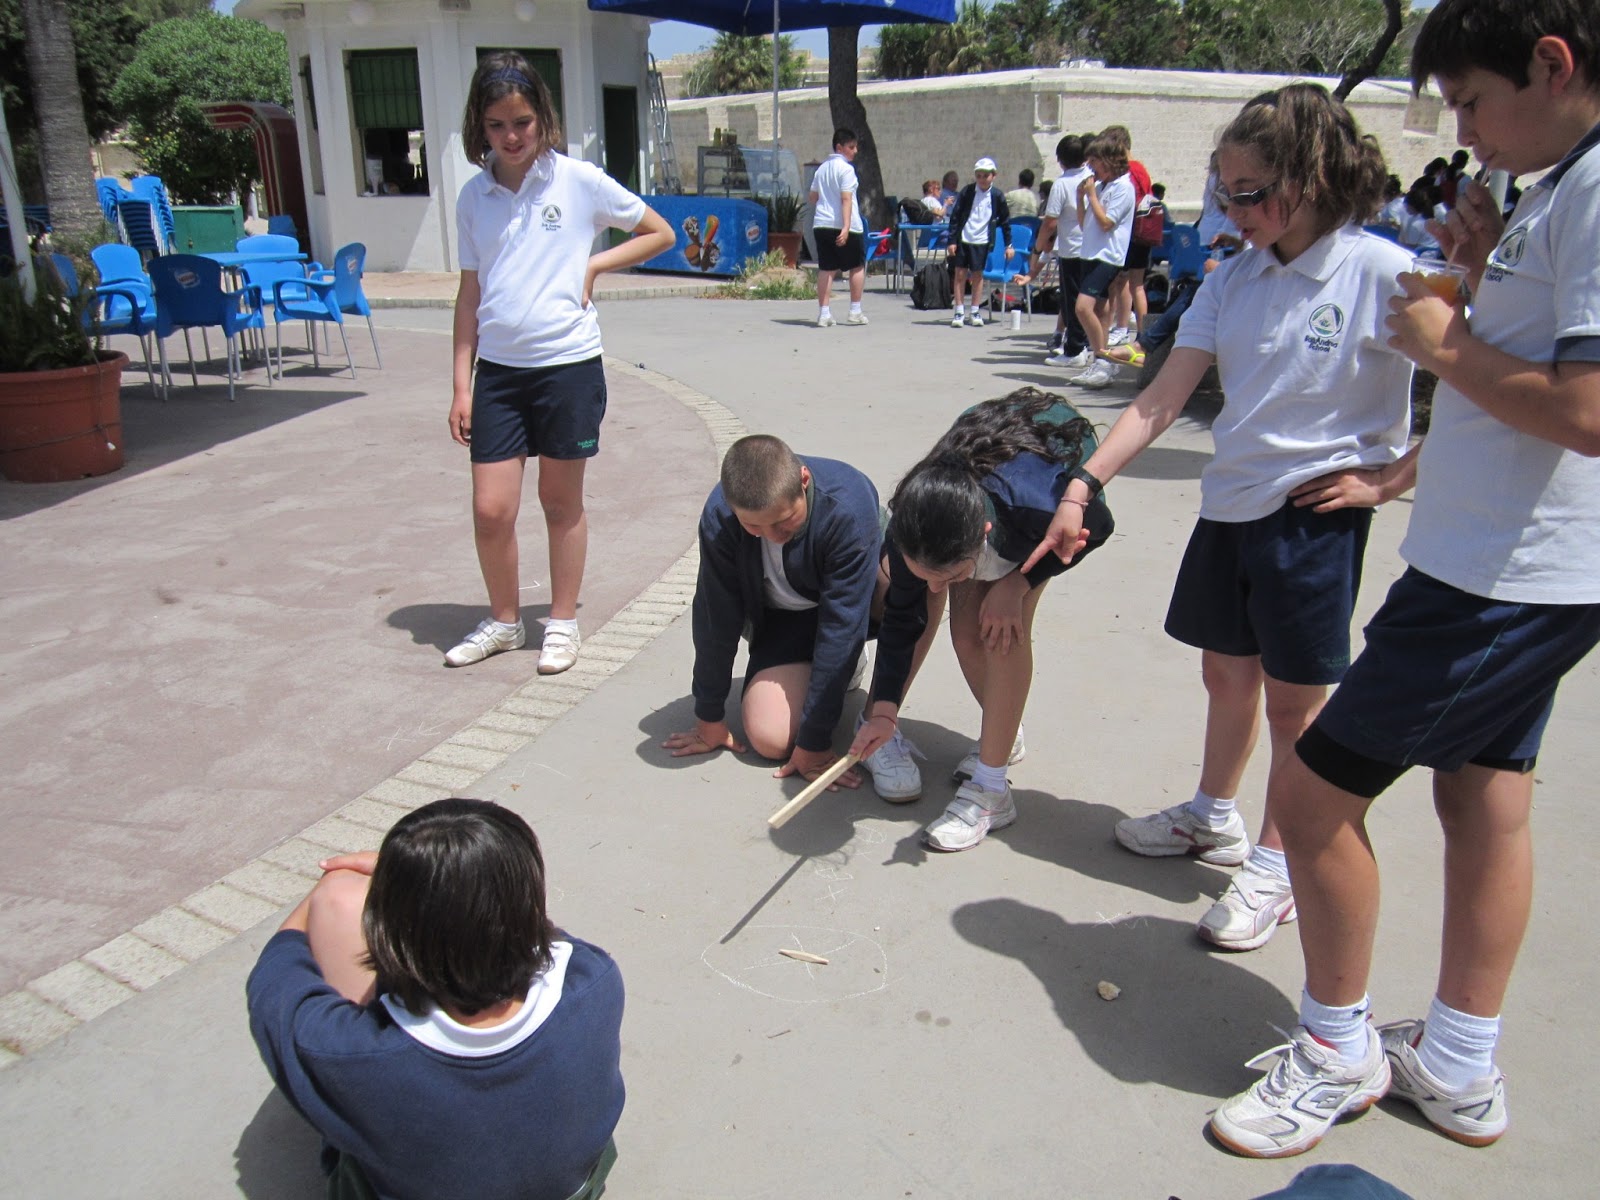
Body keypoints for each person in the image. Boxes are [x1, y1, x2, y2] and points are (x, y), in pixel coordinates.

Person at [1203, 0, 1600, 1156]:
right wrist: (1479, 273)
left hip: (1503, 574)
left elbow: (1584, 412)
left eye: (1472, 103)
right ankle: (1460, 1063)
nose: (1465, 135)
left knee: (1314, 798)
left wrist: (1441, 347)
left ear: (1551, 62)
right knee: (1485, 795)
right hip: (1503, 559)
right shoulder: (1555, 185)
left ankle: (1336, 1052)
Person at [1026, 84, 1416, 963]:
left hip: (1311, 521)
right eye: (1224, 190)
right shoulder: (1235, 276)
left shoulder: (1381, 272)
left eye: (1248, 193)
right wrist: (1083, 482)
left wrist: (1390, 480)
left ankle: (1279, 863)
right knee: (1226, 678)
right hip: (1230, 506)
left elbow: (1476, 391)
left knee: (1295, 708)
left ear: (1311, 178)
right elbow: (1162, 400)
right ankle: (1214, 814)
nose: (1230, 211)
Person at [247, 798, 625, 1200]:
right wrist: (456, 880)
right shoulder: (595, 978)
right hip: (574, 1189)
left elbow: (272, 977)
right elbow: (547, 936)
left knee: (340, 893)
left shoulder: (348, 1053)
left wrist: (363, 883)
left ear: (391, 931)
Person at [445, 53, 674, 674]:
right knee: (491, 509)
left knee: (558, 502)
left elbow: (660, 232)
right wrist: (461, 386)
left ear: (542, 117)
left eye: (521, 121)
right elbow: (470, 295)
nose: (511, 137)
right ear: (480, 127)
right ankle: (502, 620)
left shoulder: (577, 180)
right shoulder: (474, 198)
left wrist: (596, 264)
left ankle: (563, 621)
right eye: (496, 125)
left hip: (568, 367)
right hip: (497, 374)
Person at [850, 388, 1114, 851]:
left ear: (983, 538)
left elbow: (1099, 528)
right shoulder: (911, 526)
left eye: (949, 577)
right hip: (974, 487)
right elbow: (901, 623)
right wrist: (886, 705)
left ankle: (992, 790)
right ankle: (997, 731)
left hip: (1042, 492)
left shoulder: (1036, 505)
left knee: (995, 630)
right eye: (926, 576)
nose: (939, 591)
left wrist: (1018, 585)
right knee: (951, 627)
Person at [662, 435, 921, 798]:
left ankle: (860, 683)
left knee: (911, 583)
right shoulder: (720, 514)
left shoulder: (847, 504)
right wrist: (709, 717)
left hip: (854, 604)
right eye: (753, 527)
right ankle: (816, 671)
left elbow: (841, 626)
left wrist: (815, 742)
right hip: (784, 618)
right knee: (770, 741)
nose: (772, 536)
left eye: (784, 522)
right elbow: (714, 616)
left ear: (803, 480)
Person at [1063, 135, 1135, 388]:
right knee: (1101, 310)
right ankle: (1102, 364)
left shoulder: (1124, 188)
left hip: (1108, 255)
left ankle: (1102, 358)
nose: (1091, 167)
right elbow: (1086, 224)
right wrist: (1082, 198)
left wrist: (1092, 195)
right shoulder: (1104, 186)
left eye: (1094, 161)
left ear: (1108, 160)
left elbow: (1107, 223)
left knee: (1082, 307)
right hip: (1090, 252)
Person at [1037, 133, 1095, 370]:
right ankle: (1088, 345)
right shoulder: (1091, 178)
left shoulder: (1061, 184)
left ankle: (1074, 349)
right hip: (1091, 246)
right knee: (1089, 300)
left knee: (1071, 301)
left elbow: (1050, 222)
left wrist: (1039, 247)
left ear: (1060, 159)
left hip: (1071, 248)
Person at [809, 127, 868, 328]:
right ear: (839, 147)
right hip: (846, 226)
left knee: (826, 268)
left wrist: (826, 198)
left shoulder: (821, 169)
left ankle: (824, 313)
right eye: (851, 147)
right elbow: (846, 199)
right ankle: (855, 310)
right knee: (857, 266)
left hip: (822, 223)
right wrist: (845, 226)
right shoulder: (846, 170)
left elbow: (812, 197)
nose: (855, 151)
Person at [1100, 125, 1152, 349]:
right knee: (1134, 284)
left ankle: (1124, 328)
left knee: (1122, 283)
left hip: (1130, 235)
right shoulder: (1141, 169)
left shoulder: (1129, 172)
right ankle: (1138, 332)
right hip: (1143, 234)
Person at [946, 157, 1013, 327]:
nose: (982, 179)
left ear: (993, 176)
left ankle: (975, 310)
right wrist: (952, 240)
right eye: (979, 176)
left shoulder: (997, 196)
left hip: (982, 240)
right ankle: (959, 311)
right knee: (960, 274)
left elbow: (1005, 221)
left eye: (986, 176)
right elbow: (955, 216)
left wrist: (1008, 245)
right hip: (964, 238)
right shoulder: (967, 192)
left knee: (977, 275)